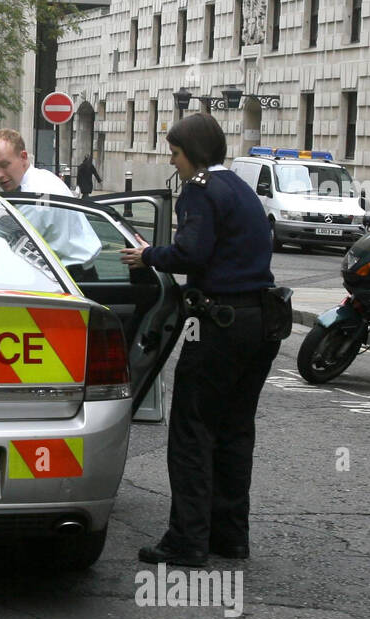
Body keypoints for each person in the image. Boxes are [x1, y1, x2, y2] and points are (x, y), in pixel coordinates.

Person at [119, 113, 282, 568]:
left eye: (175, 153)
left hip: (218, 324)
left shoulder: (201, 188)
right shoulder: (240, 188)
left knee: (192, 432)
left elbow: (192, 253)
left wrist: (147, 254)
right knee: (234, 430)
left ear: (194, 152)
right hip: (261, 322)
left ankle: (187, 540)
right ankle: (230, 537)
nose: (174, 161)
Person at [0, 128, 100, 281]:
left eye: (4, 165)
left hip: (69, 278)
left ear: (23, 157)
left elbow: (11, 253)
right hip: (78, 272)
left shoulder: (32, 198)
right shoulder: (43, 177)